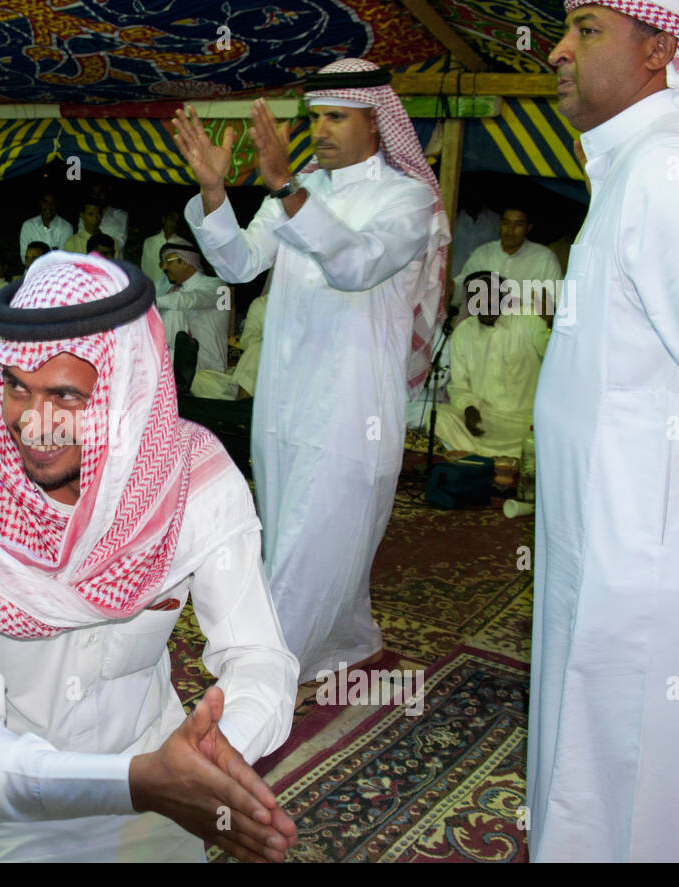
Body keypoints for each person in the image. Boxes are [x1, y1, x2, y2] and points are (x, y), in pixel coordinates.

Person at [0, 251, 299, 862]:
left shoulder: (196, 485)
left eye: (66, 396)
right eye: (17, 389)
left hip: (162, 774)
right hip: (11, 804)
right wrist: (139, 782)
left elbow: (260, 659)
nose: (36, 423)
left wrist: (214, 754)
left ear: (126, 397)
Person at [174, 58, 450, 678]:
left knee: (311, 536)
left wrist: (284, 191)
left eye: (335, 117)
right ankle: (348, 638)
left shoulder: (406, 200)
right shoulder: (301, 188)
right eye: (314, 116)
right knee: (297, 531)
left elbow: (356, 265)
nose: (320, 129)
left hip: (355, 403)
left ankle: (263, 676)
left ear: (376, 124)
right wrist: (216, 195)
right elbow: (241, 263)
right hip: (284, 393)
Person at [528, 0, 679, 862]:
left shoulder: (678, 170)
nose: (558, 52)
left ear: (660, 50)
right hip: (600, 562)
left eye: (587, 30)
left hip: (646, 590)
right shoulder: (635, 168)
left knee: (635, 808)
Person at [434, 272, 550, 457]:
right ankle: (491, 459)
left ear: (503, 297)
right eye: (476, 297)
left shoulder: (527, 320)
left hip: (524, 423)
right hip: (485, 420)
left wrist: (551, 324)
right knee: (438, 417)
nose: (484, 302)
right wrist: (468, 408)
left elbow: (553, 355)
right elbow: (459, 387)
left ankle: (480, 458)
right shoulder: (464, 331)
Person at [453, 206, 563, 316]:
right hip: (482, 327)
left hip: (526, 329)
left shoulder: (545, 259)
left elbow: (558, 302)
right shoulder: (483, 253)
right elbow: (461, 288)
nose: (510, 230)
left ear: (528, 228)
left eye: (518, 225)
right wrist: (450, 287)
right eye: (506, 223)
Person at [156, 241, 230, 373]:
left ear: (185, 261)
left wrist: (153, 302)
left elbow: (191, 299)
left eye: (169, 261)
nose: (164, 267)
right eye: (163, 263)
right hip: (171, 371)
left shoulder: (219, 286)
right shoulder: (168, 290)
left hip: (207, 371)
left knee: (175, 310)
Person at [18, 191, 73, 260]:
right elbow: (24, 257)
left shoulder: (66, 227)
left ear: (56, 204)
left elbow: (63, 259)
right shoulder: (28, 226)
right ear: (40, 203)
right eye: (45, 202)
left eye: (52, 202)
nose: (48, 206)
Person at [140, 209, 186, 284]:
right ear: (164, 220)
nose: (173, 223)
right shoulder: (150, 242)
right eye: (171, 219)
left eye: (176, 221)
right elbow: (145, 269)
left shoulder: (183, 244)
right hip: (153, 288)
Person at [88, 181, 129, 252]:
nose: (98, 197)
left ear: (108, 191)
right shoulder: (86, 215)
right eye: (94, 194)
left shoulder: (120, 215)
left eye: (100, 193)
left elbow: (118, 245)